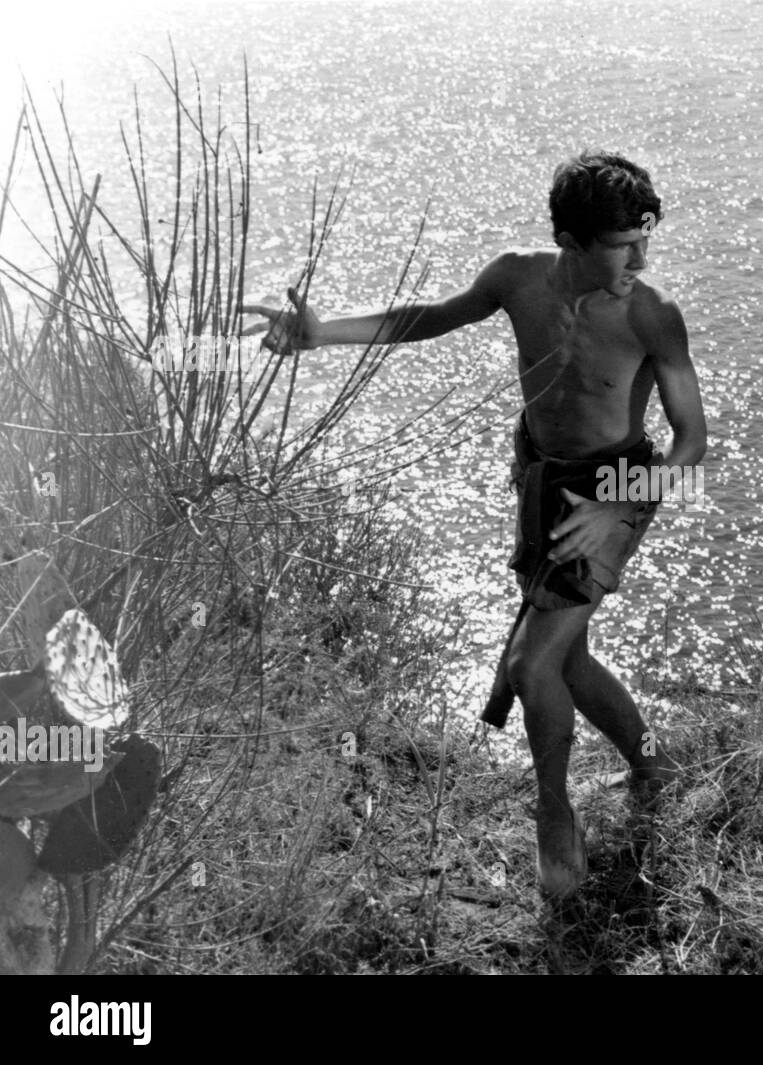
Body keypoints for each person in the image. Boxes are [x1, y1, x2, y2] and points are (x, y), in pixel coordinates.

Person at [239, 151, 707, 901]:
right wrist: (322, 333)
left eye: (647, 238)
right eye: (626, 243)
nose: (642, 257)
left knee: (530, 664)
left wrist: (617, 507)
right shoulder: (517, 279)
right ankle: (654, 764)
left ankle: (554, 814)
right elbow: (425, 319)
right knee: (567, 656)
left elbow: (691, 443)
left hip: (616, 490)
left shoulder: (650, 314)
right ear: (574, 239)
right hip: (542, 477)